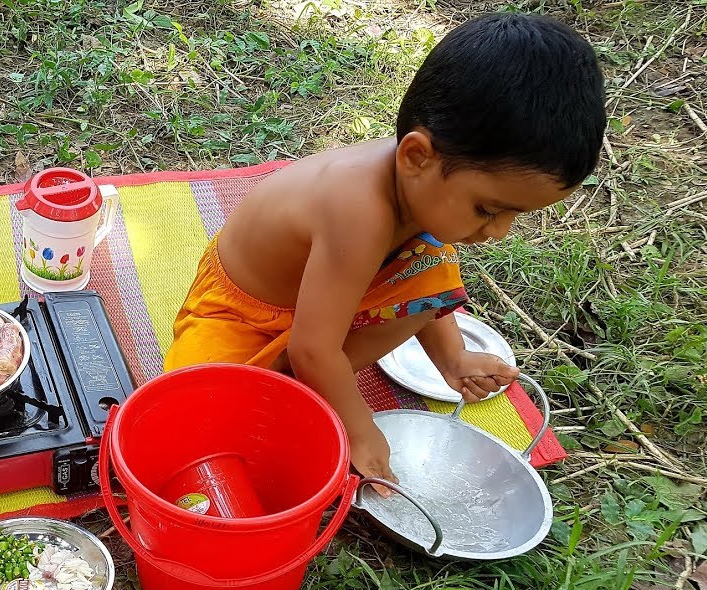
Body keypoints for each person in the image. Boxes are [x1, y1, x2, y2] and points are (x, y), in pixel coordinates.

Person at [164, 13, 606, 488]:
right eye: (488, 209)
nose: (499, 232)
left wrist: (452, 358)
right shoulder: (358, 210)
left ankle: (294, 383)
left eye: (516, 214)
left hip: (326, 302)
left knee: (432, 276)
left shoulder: (422, 187)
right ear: (417, 156)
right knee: (190, 411)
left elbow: (422, 292)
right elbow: (312, 347)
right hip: (243, 309)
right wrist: (359, 427)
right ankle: (295, 383)